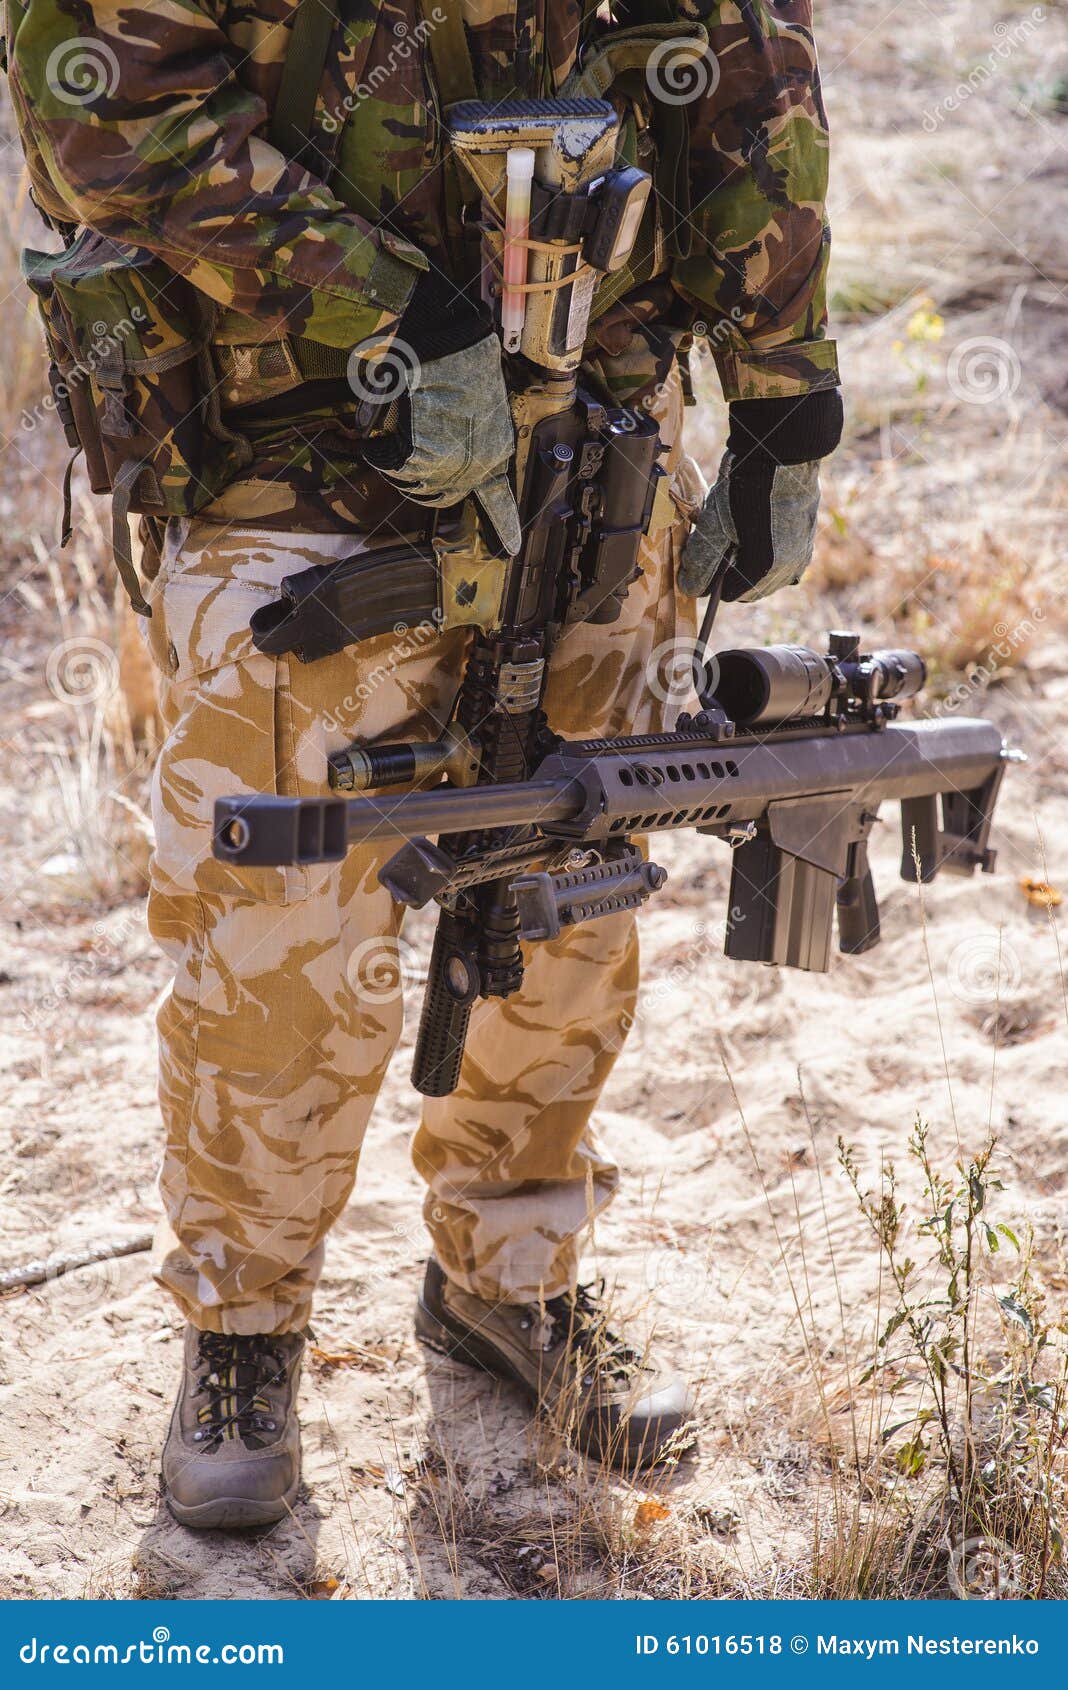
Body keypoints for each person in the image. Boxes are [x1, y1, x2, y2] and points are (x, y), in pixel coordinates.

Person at [6, 0, 842, 1529]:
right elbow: (100, 106)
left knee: (571, 880)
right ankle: (243, 1327)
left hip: (598, 419)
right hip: (295, 432)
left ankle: (509, 1277)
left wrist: (784, 377)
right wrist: (388, 308)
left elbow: (740, 45)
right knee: (277, 932)